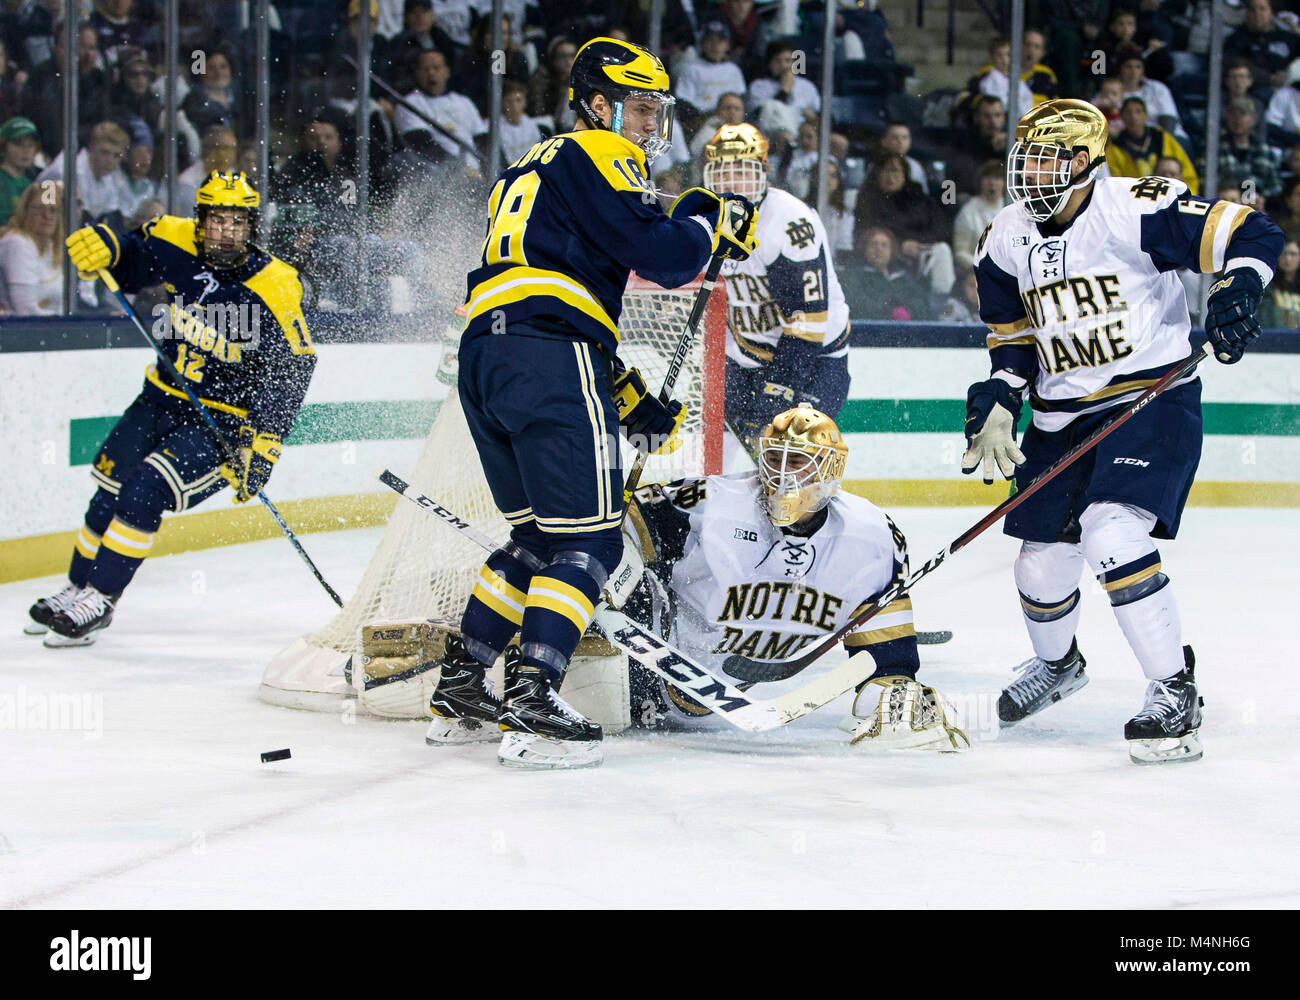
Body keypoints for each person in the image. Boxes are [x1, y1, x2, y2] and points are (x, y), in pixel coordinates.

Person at [420, 37, 757, 770]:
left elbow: (551, 289)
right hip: (546, 353)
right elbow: (665, 259)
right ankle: (534, 699)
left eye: (657, 110)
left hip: (490, 355)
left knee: (537, 540)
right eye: (639, 107)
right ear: (598, 104)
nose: (649, 125)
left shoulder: (532, 164)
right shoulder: (599, 151)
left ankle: (462, 685)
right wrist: (709, 221)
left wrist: (623, 392)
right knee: (592, 543)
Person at [967, 98, 1283, 764]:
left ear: (1084, 161)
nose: (1031, 170)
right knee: (1040, 561)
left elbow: (1253, 232)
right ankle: (1057, 668)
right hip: (1060, 417)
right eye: (1025, 157)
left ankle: (1173, 688)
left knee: (1111, 530)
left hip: (1149, 401)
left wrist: (1237, 287)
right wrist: (1003, 391)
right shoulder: (1004, 236)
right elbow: (1014, 335)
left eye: (1047, 157)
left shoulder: (1137, 208)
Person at [25, 172, 316, 646]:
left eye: (237, 222)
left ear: (252, 226)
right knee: (108, 492)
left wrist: (264, 442)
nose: (226, 231)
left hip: (220, 419)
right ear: (200, 220)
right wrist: (107, 247)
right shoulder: (173, 236)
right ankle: (77, 587)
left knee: (143, 492)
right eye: (217, 220)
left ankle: (100, 600)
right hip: (160, 396)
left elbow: (292, 367)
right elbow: (131, 260)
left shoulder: (278, 284)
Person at [609, 405, 967, 749]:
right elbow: (625, 519)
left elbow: (883, 658)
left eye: (796, 461)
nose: (781, 473)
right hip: (638, 663)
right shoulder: (711, 502)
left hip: (710, 695)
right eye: (774, 458)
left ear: (829, 469)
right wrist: (608, 560)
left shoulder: (872, 535)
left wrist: (892, 692)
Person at [701, 122, 850, 449]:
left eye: (742, 171)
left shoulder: (789, 221)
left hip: (815, 361)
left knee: (794, 460)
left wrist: (775, 396)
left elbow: (806, 324)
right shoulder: (705, 218)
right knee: (712, 464)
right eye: (723, 172)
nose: (732, 182)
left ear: (762, 173)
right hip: (744, 359)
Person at [394, 47, 485, 177]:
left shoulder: (464, 102)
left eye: (436, 68)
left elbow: (482, 139)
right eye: (425, 69)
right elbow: (422, 144)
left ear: (447, 72)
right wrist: (458, 167)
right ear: (417, 73)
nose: (431, 73)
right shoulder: (409, 103)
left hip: (475, 173)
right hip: (438, 176)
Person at [35, 120, 134, 222]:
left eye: (116, 156)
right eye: (105, 152)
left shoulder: (114, 175)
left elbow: (124, 212)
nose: (110, 160)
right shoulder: (68, 169)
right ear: (91, 147)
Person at [1105, 96, 1199, 194]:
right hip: (1136, 200)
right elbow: (1115, 185)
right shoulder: (1114, 148)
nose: (1133, 117)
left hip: (1173, 196)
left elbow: (1189, 176)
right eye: (1128, 113)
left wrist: (1187, 198)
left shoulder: (1163, 138)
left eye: (1138, 111)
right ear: (1122, 117)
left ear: (1145, 115)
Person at [0, 179, 64, 313]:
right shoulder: (17, 242)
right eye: (39, 209)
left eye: (53, 210)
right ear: (24, 211)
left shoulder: (53, 247)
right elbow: (26, 310)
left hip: (51, 328)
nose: (47, 216)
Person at [0, 116, 40, 226]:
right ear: (3, 148)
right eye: (18, 144)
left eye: (30, 145)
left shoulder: (30, 184)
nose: (26, 150)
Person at [1259, 238, 1300, 328]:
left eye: (1293, 254)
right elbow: (1265, 320)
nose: (1288, 259)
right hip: (1277, 338)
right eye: (1283, 253)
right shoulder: (1266, 286)